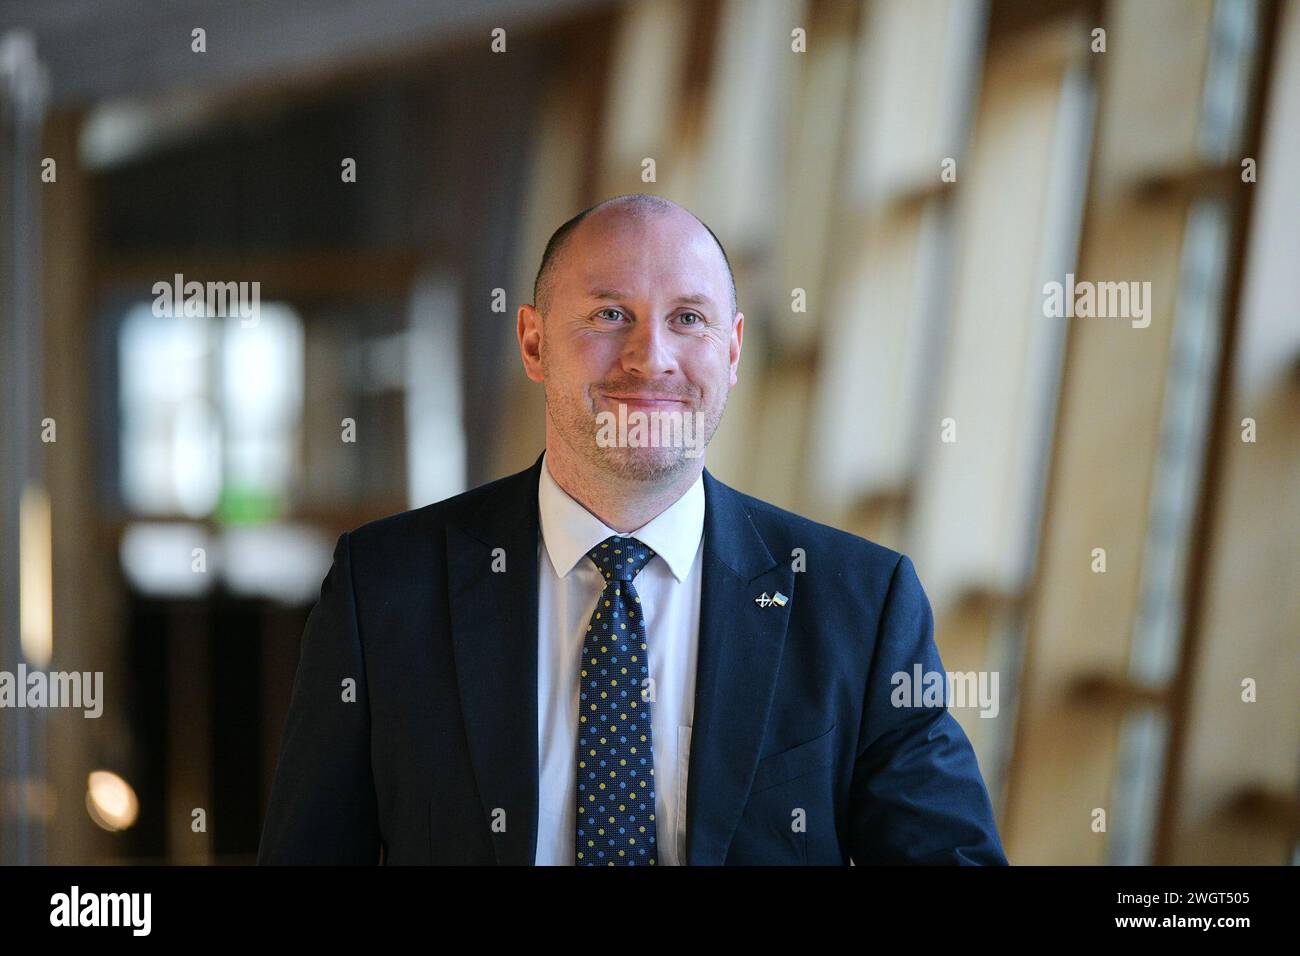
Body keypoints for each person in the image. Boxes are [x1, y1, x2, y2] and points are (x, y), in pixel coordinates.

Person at [257, 193, 1008, 865]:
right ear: (533, 343)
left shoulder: (858, 603)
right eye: (610, 314)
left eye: (688, 319)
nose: (652, 358)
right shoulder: (386, 586)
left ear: (734, 348)